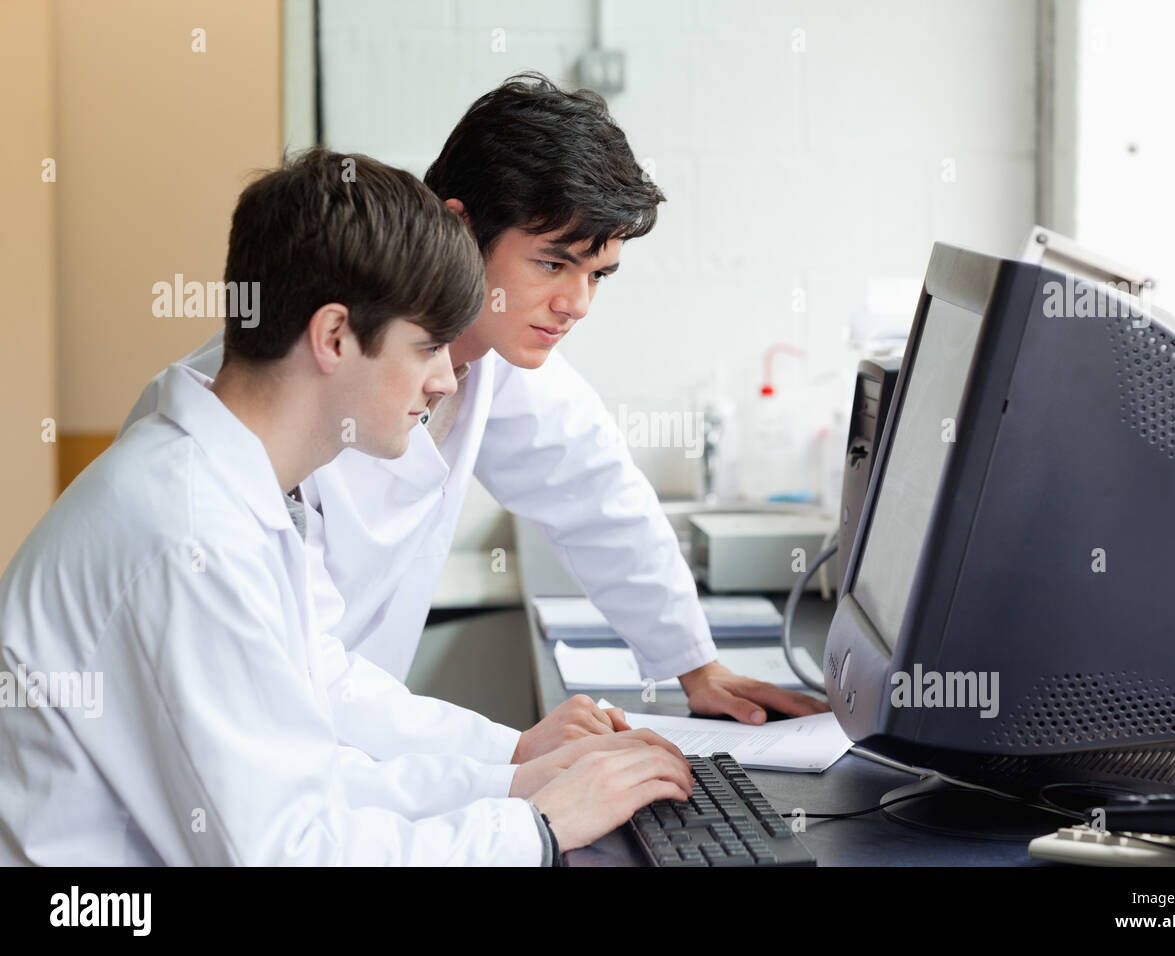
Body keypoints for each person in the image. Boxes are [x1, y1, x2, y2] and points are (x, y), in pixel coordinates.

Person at [0, 148, 690, 866]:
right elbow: (286, 855)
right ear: (333, 337)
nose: (444, 383)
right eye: (427, 349)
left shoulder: (231, 489)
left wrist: (510, 783)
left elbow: (309, 757)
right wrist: (537, 828)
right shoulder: (191, 537)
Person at [123, 73, 829, 725]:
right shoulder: (299, 382)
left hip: (339, 743)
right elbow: (301, 686)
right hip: (261, 747)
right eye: (553, 264)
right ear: (461, 228)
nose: (576, 303)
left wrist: (695, 667)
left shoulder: (497, 356)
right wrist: (516, 760)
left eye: (598, 276)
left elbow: (598, 492)